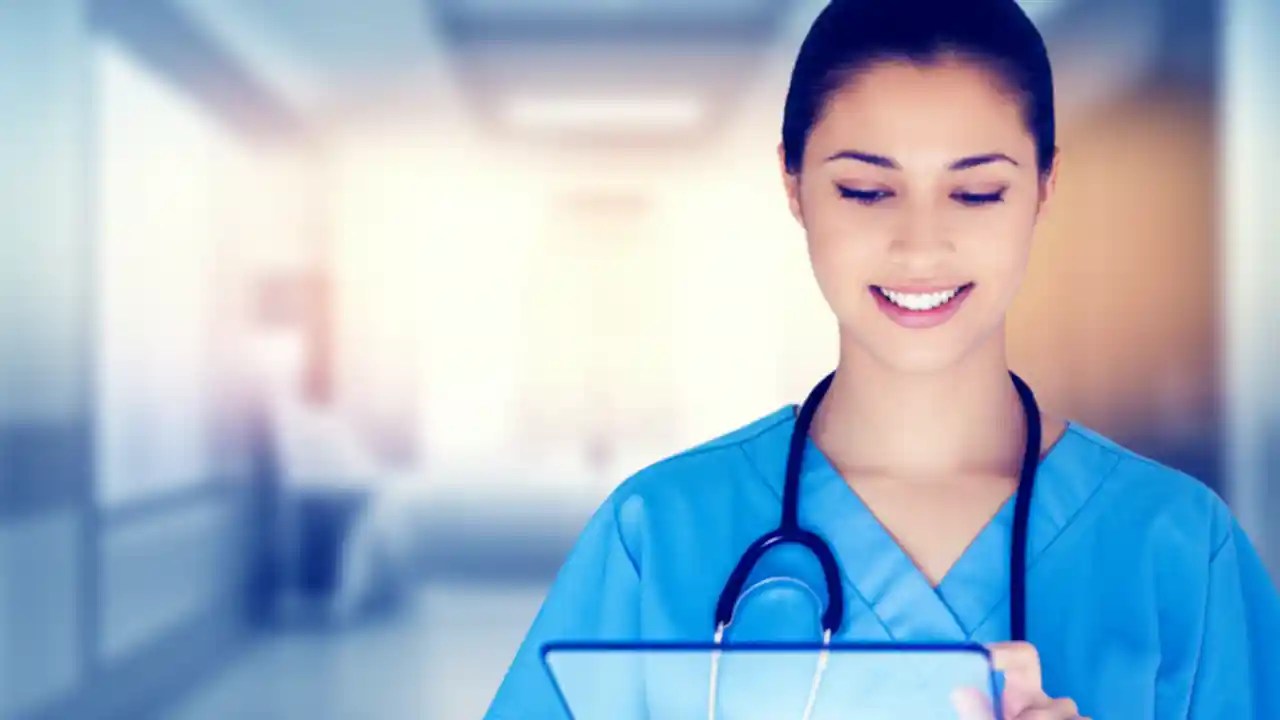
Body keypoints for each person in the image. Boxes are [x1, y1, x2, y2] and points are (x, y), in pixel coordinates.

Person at [485, 0, 1280, 718]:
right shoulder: (658, 535)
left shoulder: (1178, 551)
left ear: (1045, 186)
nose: (920, 245)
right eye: (866, 191)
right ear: (792, 186)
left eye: (975, 194)